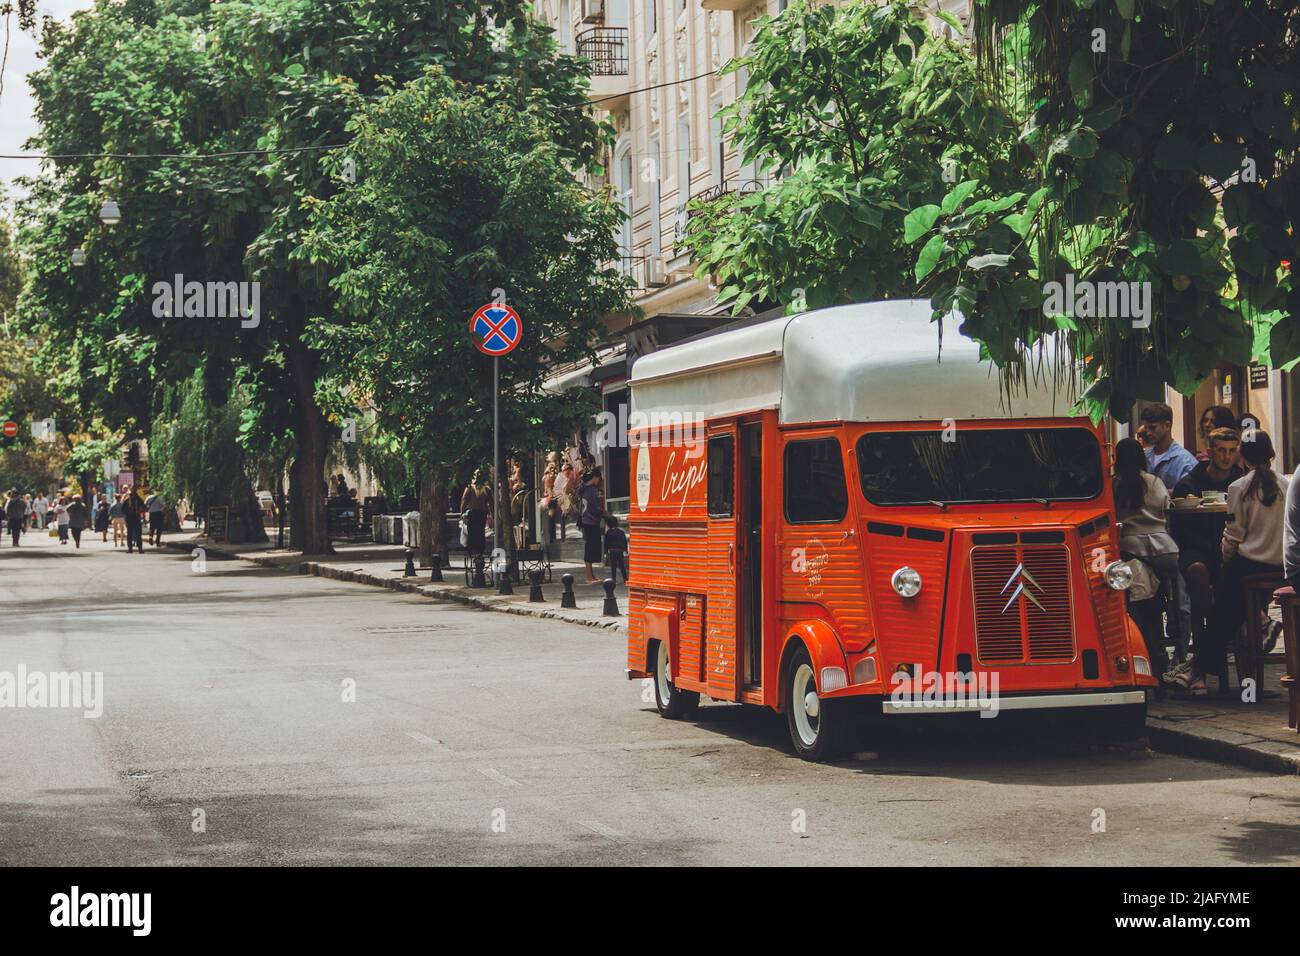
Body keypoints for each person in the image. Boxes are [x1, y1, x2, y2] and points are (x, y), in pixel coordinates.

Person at [1204, 431, 1289, 697]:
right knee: (1235, 607)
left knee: (1222, 605)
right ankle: (1261, 623)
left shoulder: (1239, 487)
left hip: (1251, 566)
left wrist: (1224, 562)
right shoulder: (1286, 485)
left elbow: (1233, 536)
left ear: (1243, 455)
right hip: (1281, 566)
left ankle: (1206, 664)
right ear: (1272, 453)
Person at [1169, 426, 1244, 677]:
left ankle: (1208, 655)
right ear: (1209, 452)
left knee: (1242, 575)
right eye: (1221, 451)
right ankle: (1214, 631)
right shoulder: (1188, 484)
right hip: (1197, 550)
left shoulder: (1241, 483)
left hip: (1231, 552)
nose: (1226, 457)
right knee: (1198, 572)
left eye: (1232, 451)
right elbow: (1180, 531)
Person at [1112, 438, 1176, 683]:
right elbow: (1164, 509)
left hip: (1131, 551)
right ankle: (1173, 618)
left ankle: (1150, 649)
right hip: (1163, 552)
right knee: (1169, 581)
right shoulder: (1154, 482)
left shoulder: (1114, 485)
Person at [1141, 402, 1198, 491]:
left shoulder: (1184, 461)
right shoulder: (1144, 456)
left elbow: (1189, 495)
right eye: (1146, 428)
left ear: (1167, 425)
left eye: (1153, 428)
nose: (1148, 433)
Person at [578, 467, 606, 584]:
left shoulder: (585, 489)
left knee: (590, 547)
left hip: (587, 520)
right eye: (599, 479)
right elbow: (593, 507)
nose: (599, 481)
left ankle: (591, 576)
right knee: (590, 548)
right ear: (595, 478)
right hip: (591, 521)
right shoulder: (590, 490)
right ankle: (589, 577)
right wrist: (603, 513)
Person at [460, 469, 491, 558]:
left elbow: (464, 502)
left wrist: (462, 513)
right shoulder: (485, 489)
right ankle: (479, 550)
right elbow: (491, 503)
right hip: (480, 513)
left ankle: (473, 550)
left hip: (474, 513)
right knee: (479, 532)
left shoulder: (470, 488)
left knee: (473, 531)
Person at [604, 513, 628, 585]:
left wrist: (606, 552)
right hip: (620, 550)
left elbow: (606, 543)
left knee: (613, 566)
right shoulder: (621, 532)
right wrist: (625, 549)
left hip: (612, 550)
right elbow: (624, 541)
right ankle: (625, 578)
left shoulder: (608, 533)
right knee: (622, 566)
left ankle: (613, 579)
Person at [123, 486, 145, 554]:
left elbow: (123, 509)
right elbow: (143, 507)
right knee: (137, 533)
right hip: (136, 518)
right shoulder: (138, 499)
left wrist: (127, 513)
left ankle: (131, 548)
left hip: (130, 518)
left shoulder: (128, 500)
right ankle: (139, 548)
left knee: (130, 533)